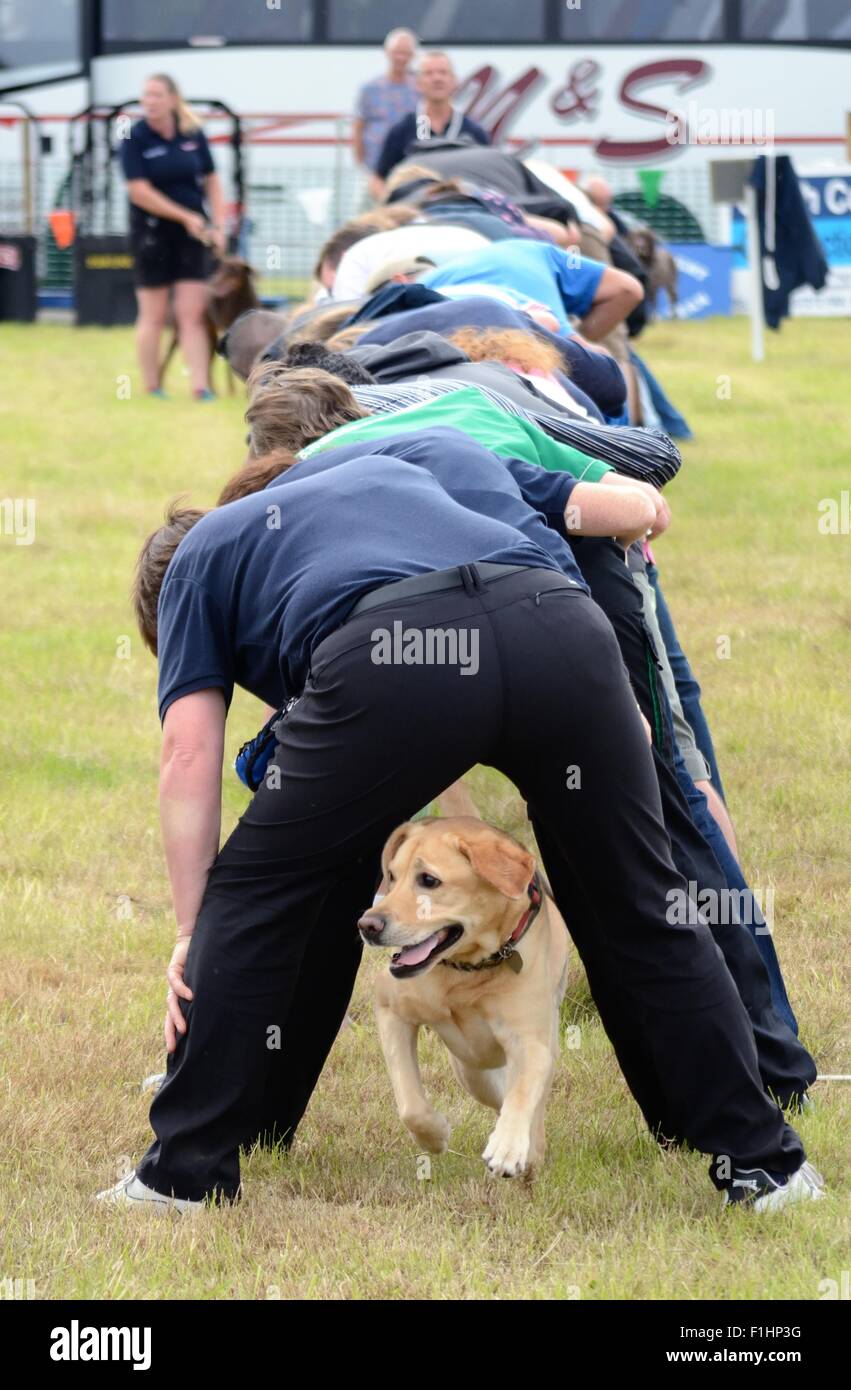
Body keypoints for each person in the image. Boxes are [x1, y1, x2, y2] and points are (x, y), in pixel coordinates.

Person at [99, 404, 821, 1212]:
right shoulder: (392, 470)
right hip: (557, 629)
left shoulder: (197, 558)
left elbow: (188, 754)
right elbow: (546, 562)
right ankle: (766, 1167)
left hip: (394, 654)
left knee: (255, 894)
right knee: (643, 901)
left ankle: (180, 1178)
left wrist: (194, 932)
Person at [119, 73, 227, 400]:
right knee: (153, 314)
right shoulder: (134, 137)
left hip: (193, 235)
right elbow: (139, 191)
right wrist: (185, 217)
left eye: (156, 95)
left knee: (192, 314)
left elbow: (211, 180)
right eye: (145, 96)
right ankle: (153, 386)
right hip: (152, 234)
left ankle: (200, 386)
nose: (149, 102)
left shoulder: (192, 133)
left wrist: (219, 225)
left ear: (172, 99)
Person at [373, 51, 490, 198]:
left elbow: (489, 179)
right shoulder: (402, 130)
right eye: (429, 73)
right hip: (415, 212)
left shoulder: (474, 132)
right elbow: (378, 179)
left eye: (443, 72)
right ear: (418, 83)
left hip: (462, 211)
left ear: (455, 81)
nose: (437, 78)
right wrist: (392, 204)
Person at [353, 28, 420, 204]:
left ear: (413, 56)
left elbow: (425, 127)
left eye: (406, 53)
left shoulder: (421, 90)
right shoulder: (370, 89)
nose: (401, 58)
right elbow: (359, 127)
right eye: (397, 52)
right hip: (372, 171)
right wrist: (362, 164)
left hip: (408, 172)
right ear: (387, 53)